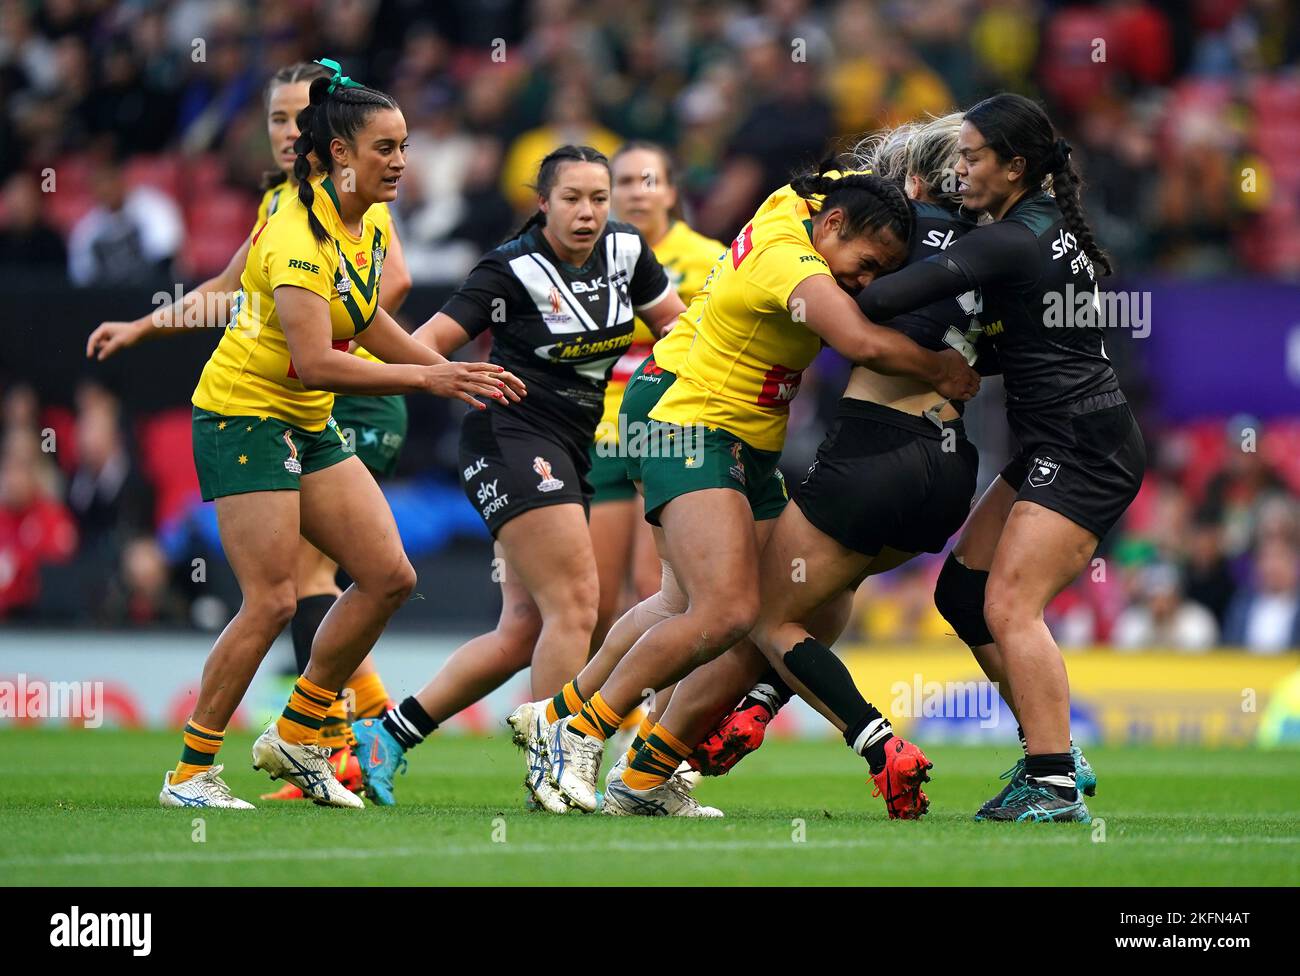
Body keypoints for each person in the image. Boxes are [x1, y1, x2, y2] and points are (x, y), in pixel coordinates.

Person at [534, 163, 980, 817]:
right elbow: (858, 340)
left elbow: (845, 173)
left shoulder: (797, 202)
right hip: (691, 420)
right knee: (725, 611)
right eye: (864, 263)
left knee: (753, 604)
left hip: (739, 434)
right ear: (831, 224)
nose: (867, 280)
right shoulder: (787, 259)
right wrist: (941, 367)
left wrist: (908, 186)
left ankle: (626, 760)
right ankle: (579, 733)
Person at [155, 62, 522, 809]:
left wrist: (454, 372)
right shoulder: (294, 233)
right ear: (339, 156)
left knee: (390, 576)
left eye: (404, 145)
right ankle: (191, 774)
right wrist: (430, 381)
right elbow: (316, 357)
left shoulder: (368, 222)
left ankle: (298, 730)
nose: (400, 160)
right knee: (273, 601)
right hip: (242, 415)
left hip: (305, 419)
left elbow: (370, 322)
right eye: (385, 147)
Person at [86, 61, 417, 798]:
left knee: (354, 577)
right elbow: (227, 290)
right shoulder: (288, 211)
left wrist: (395, 360)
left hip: (339, 397)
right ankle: (208, 767)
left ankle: (314, 734)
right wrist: (145, 326)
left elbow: (386, 289)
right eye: (275, 118)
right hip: (264, 405)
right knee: (285, 591)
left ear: (330, 135)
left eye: (300, 117)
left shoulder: (357, 202)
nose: (288, 132)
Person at [350, 145, 685, 806]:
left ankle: (390, 733)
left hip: (571, 446)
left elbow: (675, 329)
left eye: (598, 198)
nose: (588, 212)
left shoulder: (626, 251)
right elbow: (430, 345)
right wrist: (399, 370)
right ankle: (551, 765)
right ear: (542, 203)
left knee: (523, 632)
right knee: (579, 605)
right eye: (572, 199)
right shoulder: (509, 269)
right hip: (508, 437)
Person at [854, 93, 1145, 823]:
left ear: (1015, 165)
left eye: (974, 155)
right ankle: (1055, 754)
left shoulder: (1009, 240)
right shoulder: (1040, 227)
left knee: (1011, 605)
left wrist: (835, 254)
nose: (960, 167)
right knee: (961, 592)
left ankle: (1051, 783)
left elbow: (884, 300)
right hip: (1068, 438)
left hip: (1082, 447)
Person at [589, 142, 724, 646]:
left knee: (658, 587)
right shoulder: (586, 254)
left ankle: (652, 717)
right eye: (623, 182)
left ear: (671, 192)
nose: (636, 193)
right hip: (600, 431)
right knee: (596, 600)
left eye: (649, 181)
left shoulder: (709, 257)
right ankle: (592, 716)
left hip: (670, 431)